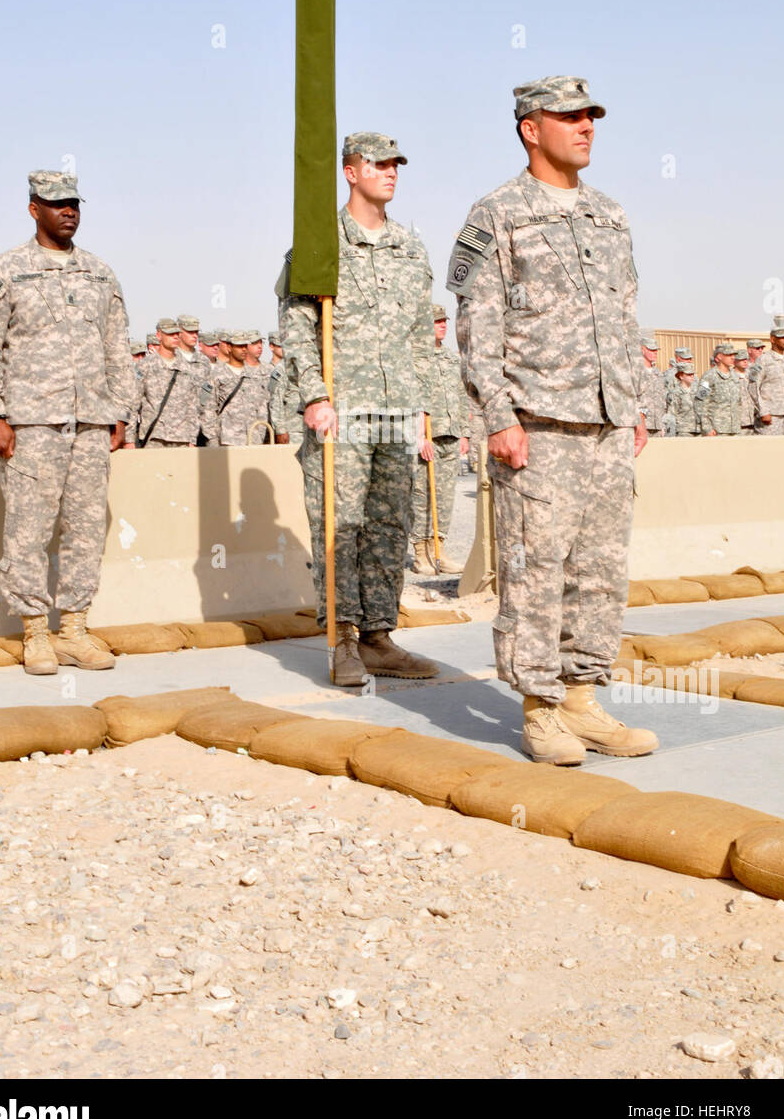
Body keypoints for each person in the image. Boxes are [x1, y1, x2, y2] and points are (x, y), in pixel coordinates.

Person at [447, 75, 657, 765]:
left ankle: (581, 701)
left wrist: (634, 406)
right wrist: (498, 416)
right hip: (536, 424)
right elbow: (477, 325)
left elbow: (624, 317)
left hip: (604, 422)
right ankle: (538, 711)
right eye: (568, 117)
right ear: (529, 128)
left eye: (590, 115)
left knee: (599, 572)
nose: (585, 126)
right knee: (536, 570)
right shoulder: (497, 213)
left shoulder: (609, 214)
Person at [278, 130, 437, 687]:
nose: (391, 172)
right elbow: (297, 329)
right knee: (339, 526)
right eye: (379, 164)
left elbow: (422, 336)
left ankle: (377, 636)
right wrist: (315, 395)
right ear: (350, 171)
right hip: (342, 411)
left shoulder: (410, 248)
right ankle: (342, 637)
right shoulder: (320, 242)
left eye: (397, 164)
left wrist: (425, 409)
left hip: (398, 411)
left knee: (391, 525)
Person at [0, 170, 136, 674]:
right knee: (28, 530)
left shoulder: (101, 273)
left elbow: (116, 348)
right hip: (31, 424)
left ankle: (74, 629)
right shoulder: (3, 269)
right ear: (33, 208)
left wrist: (120, 410)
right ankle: (35, 632)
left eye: (74, 204)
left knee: (84, 529)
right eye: (56, 203)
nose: (69, 211)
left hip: (90, 423)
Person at [411, 303, 469, 574]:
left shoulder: (449, 358)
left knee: (445, 498)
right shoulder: (415, 359)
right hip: (427, 436)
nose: (443, 325)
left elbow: (460, 395)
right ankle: (421, 553)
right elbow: (411, 400)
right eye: (437, 321)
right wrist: (419, 435)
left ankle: (439, 550)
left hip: (450, 433)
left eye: (444, 320)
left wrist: (465, 434)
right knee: (422, 495)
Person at [129, 318, 215, 448]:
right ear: (159, 335)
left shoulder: (187, 368)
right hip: (154, 437)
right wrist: (129, 440)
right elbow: (133, 403)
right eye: (170, 334)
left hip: (182, 438)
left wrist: (192, 439)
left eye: (176, 333)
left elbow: (192, 406)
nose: (175, 336)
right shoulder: (145, 365)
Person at [212, 330, 269, 445]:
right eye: (239, 346)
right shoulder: (217, 374)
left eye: (245, 346)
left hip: (253, 439)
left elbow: (262, 407)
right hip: (228, 439)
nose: (244, 349)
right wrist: (212, 439)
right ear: (229, 347)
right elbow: (209, 408)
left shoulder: (255, 374)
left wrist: (260, 434)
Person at [751, 325, 784, 435]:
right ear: (772, 339)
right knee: (767, 449)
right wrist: (763, 411)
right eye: (782, 337)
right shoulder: (763, 360)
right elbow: (753, 387)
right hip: (770, 416)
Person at [694, 343, 741, 435]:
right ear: (719, 357)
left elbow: (738, 402)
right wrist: (707, 427)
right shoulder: (708, 377)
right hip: (717, 429)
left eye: (733, 355)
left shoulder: (735, 376)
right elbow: (700, 402)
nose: (733, 358)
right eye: (729, 355)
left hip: (734, 429)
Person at [638, 330, 666, 437]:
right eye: (651, 350)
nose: (654, 353)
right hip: (642, 424)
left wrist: (662, 425)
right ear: (642, 350)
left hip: (657, 425)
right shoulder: (637, 372)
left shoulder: (658, 374)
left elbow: (662, 401)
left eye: (656, 350)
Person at [665, 361, 698, 435]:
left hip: (698, 430)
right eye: (689, 374)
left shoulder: (697, 391)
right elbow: (671, 414)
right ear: (681, 376)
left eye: (693, 374)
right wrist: (670, 433)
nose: (692, 376)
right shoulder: (676, 393)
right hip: (683, 431)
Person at [733, 350, 756, 434]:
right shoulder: (730, 377)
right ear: (735, 361)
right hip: (738, 423)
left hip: (754, 421)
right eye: (742, 359)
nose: (745, 361)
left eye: (746, 359)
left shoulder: (751, 376)